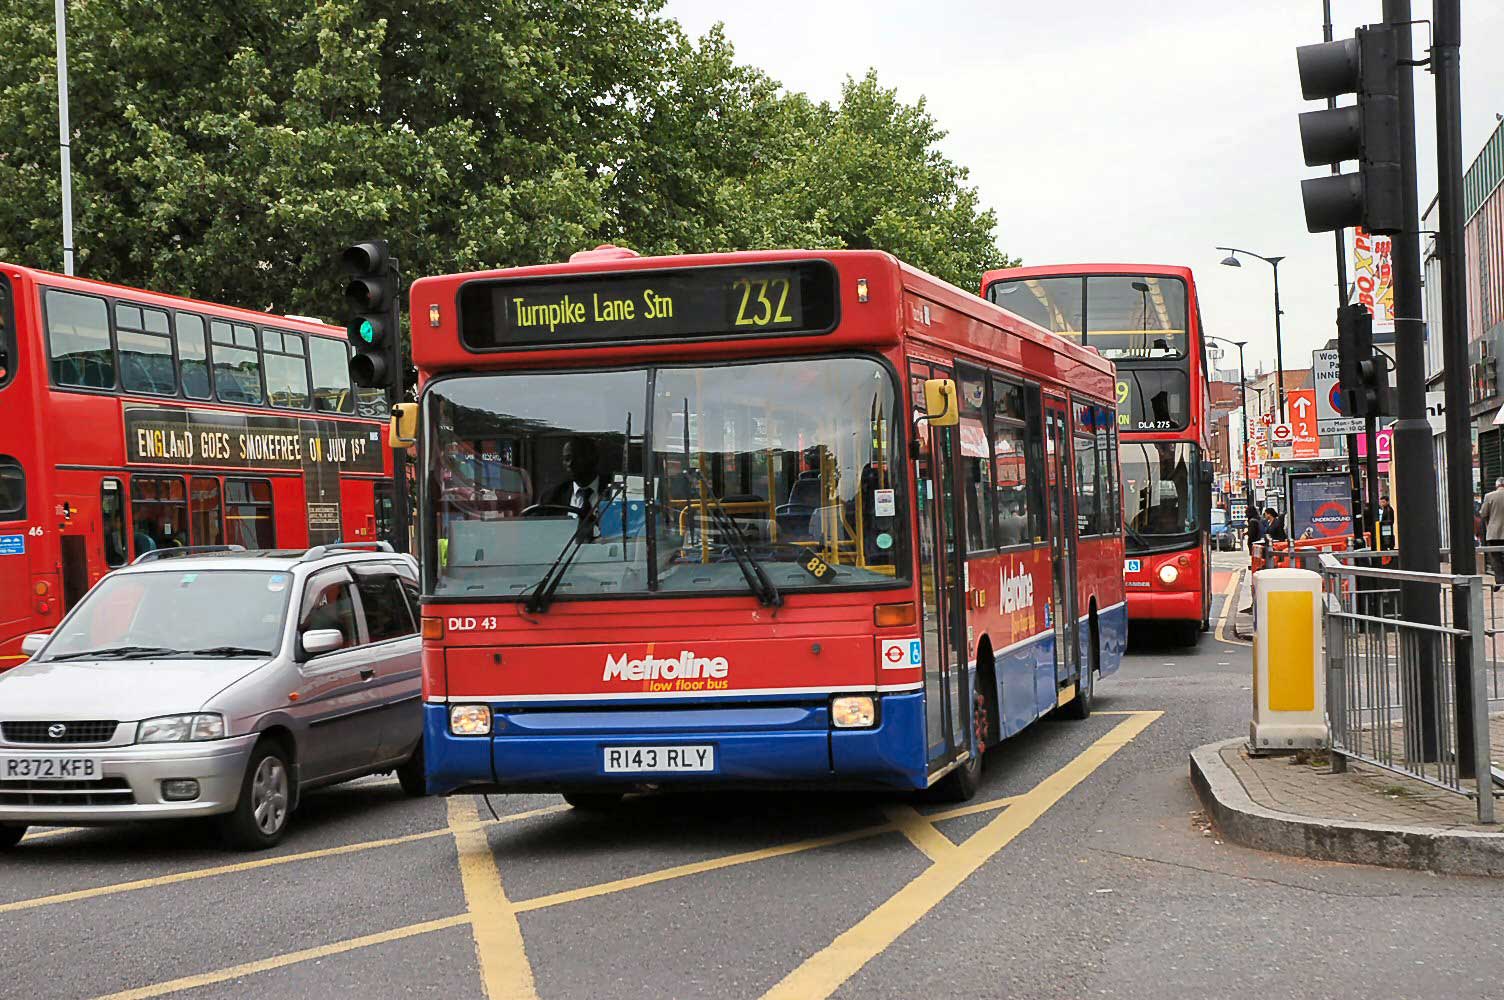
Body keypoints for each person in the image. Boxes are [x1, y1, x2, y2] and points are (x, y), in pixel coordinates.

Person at [540, 436, 604, 518]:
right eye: (567, 459)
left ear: (594, 459)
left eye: (577, 458)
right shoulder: (551, 498)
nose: (570, 464)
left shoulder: (615, 492)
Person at [1479, 477, 1504, 586]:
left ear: (1496, 485)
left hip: (1494, 533)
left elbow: (1483, 513)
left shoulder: (1489, 496)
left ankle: (1500, 581)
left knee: (1495, 558)